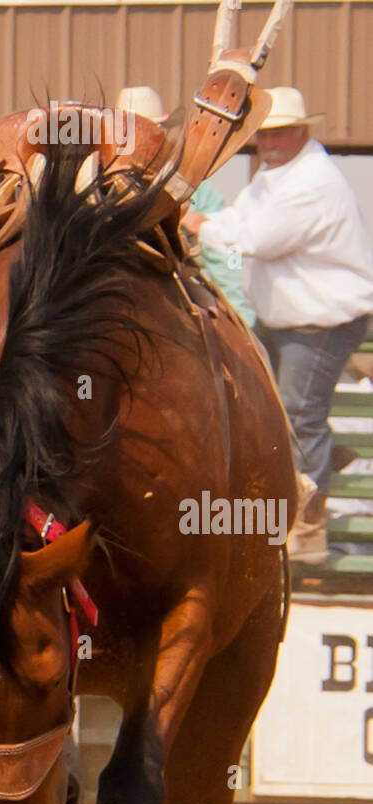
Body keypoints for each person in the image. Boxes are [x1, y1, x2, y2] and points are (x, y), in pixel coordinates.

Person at [185, 87, 373, 562]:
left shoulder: (311, 182)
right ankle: (325, 468)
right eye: (264, 133)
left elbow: (256, 238)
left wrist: (193, 222)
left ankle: (308, 532)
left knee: (296, 413)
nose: (268, 141)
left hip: (319, 322)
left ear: (302, 131)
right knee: (276, 405)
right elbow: (242, 225)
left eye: (279, 131)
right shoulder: (282, 175)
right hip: (297, 319)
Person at [115, 86, 255, 327]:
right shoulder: (96, 188)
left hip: (175, 298)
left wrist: (239, 310)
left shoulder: (194, 190)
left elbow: (230, 253)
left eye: (144, 134)